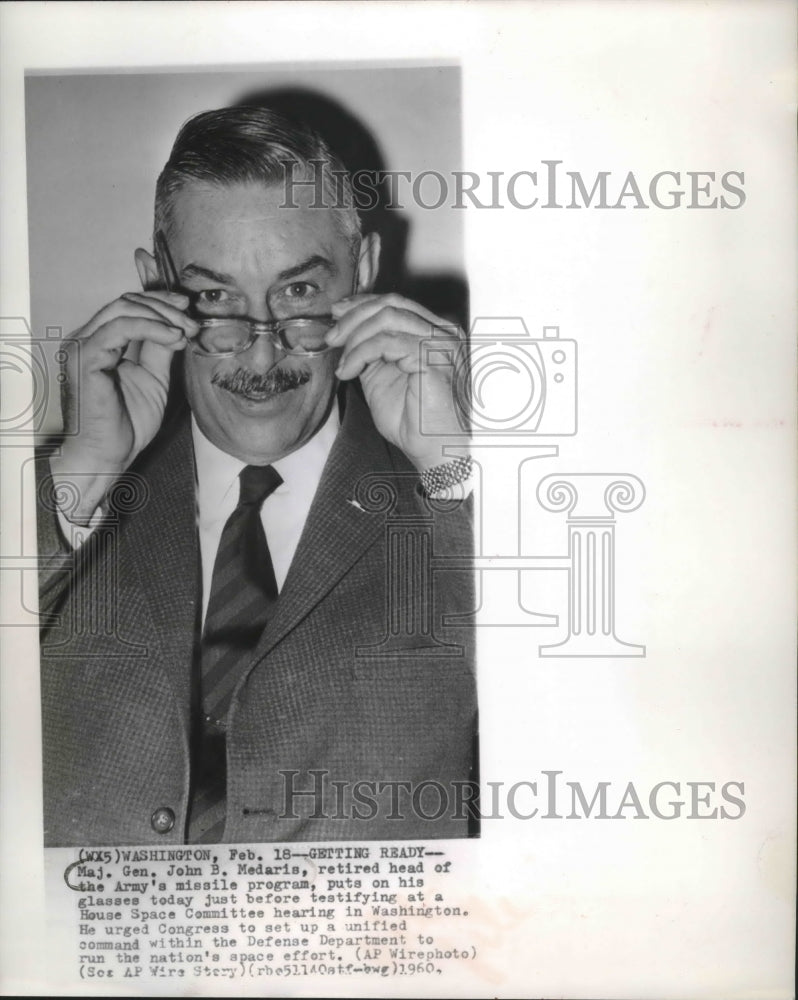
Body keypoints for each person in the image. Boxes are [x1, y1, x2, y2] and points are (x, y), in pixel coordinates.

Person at [36, 106, 477, 846]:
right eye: (216, 299)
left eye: (299, 294)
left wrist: (454, 468)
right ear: (155, 286)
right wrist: (81, 477)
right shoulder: (64, 510)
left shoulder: (455, 502)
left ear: (363, 271)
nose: (262, 358)